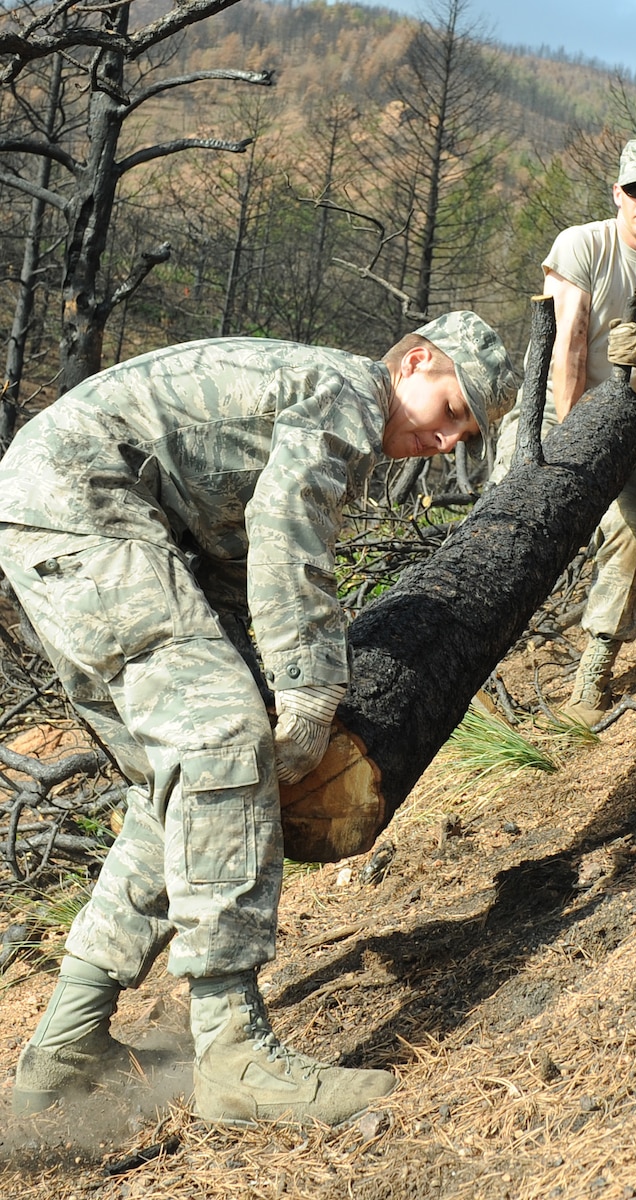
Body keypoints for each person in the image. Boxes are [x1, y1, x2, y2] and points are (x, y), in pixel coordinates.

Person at [0, 313, 515, 1126]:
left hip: (77, 506)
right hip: (82, 498)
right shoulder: (348, 390)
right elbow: (287, 524)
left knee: (179, 779)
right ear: (414, 361)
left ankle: (67, 1044)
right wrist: (308, 691)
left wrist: (264, 678)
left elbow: (237, 559)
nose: (449, 440)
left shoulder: (298, 406)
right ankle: (234, 1053)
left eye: (466, 433)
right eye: (452, 410)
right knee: (222, 740)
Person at [489, 138, 636, 725]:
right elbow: (567, 344)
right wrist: (570, 450)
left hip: (622, 429)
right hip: (548, 416)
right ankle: (479, 669)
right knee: (503, 525)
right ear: (617, 192)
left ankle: (594, 670)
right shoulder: (581, 244)